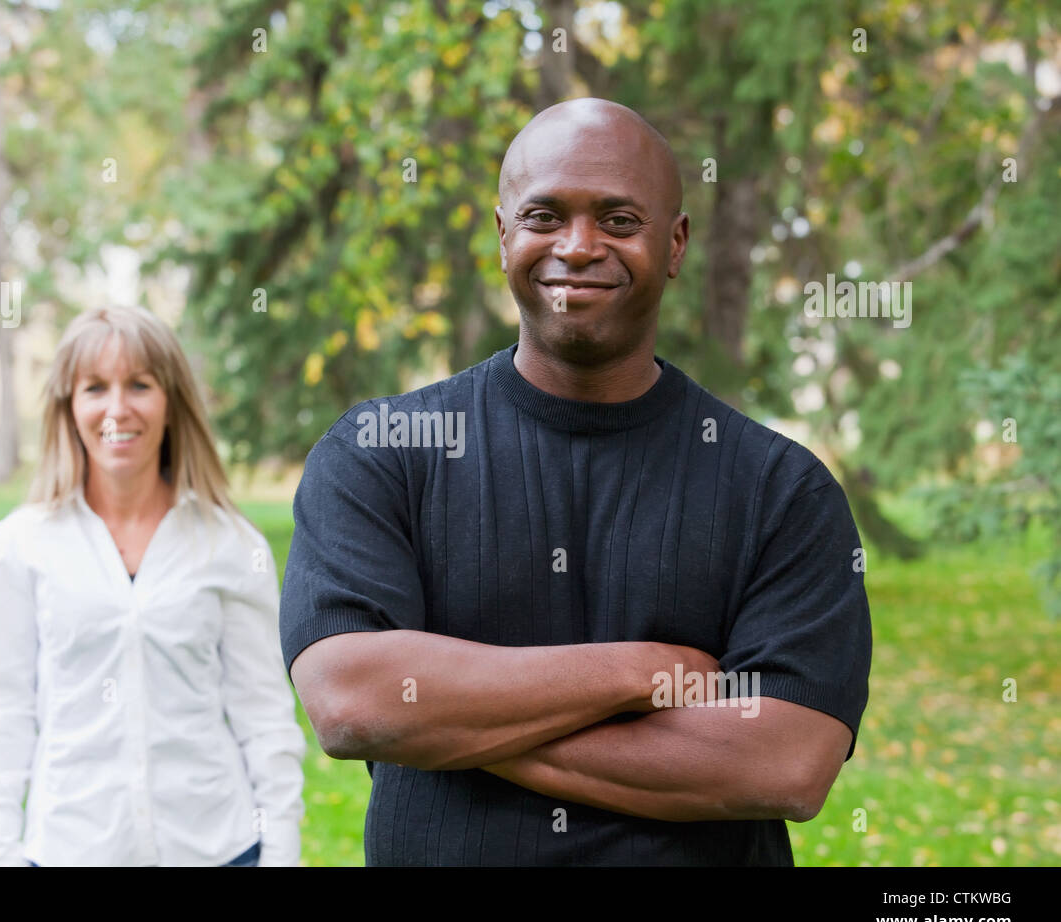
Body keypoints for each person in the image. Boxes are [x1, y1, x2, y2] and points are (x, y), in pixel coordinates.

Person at [279, 98, 871, 866]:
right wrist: (645, 673)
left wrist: (445, 724)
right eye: (545, 215)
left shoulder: (781, 490)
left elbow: (786, 761)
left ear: (676, 244)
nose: (580, 246)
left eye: (620, 220)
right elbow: (353, 702)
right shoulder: (382, 452)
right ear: (503, 236)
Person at [0, 305, 305, 866]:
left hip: (217, 849)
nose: (117, 409)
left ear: (171, 402)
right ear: (69, 407)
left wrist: (281, 852)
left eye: (139, 385)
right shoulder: (22, 544)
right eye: (95, 387)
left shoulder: (231, 545)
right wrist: (0, 852)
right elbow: (3, 712)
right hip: (68, 850)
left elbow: (264, 715)